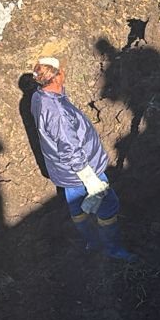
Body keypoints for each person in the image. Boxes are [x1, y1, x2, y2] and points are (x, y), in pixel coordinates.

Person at [29, 56, 136, 261]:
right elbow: (69, 148)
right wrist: (90, 179)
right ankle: (113, 250)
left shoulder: (40, 96)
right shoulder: (58, 113)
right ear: (57, 77)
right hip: (82, 170)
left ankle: (91, 242)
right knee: (108, 206)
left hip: (65, 173)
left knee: (77, 207)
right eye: (61, 71)